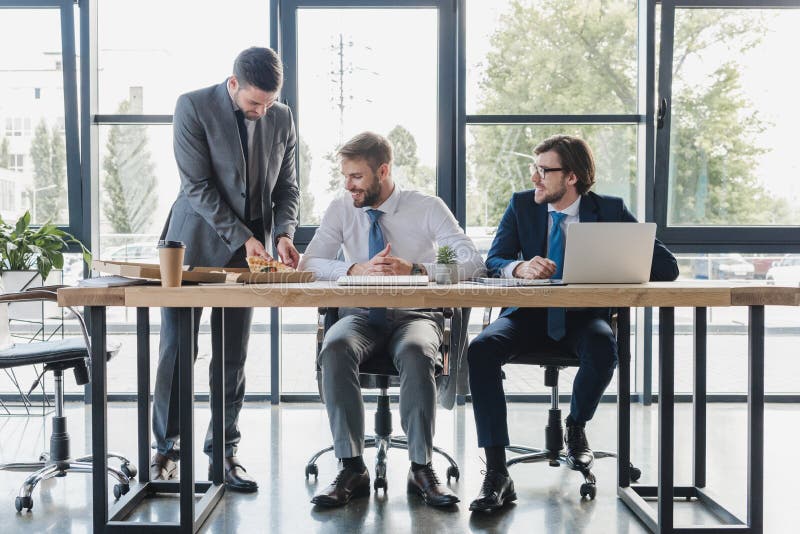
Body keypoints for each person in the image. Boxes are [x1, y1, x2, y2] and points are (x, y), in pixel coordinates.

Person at [467, 134, 679, 512]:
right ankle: (497, 473)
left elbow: (667, 267)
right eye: (534, 168)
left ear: (572, 177)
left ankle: (576, 425)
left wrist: (615, 260)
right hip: (527, 318)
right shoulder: (521, 206)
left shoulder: (609, 210)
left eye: (543, 170)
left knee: (604, 345)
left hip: (583, 318)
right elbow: (494, 259)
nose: (534, 177)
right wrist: (520, 266)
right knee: (481, 349)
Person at [299, 131, 484, 507]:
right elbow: (310, 263)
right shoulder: (341, 208)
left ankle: (421, 468)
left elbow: (470, 261)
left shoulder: (426, 207)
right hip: (361, 316)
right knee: (334, 347)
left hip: (415, 316)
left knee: (417, 352)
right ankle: (351, 466)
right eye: (345, 176)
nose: (348, 185)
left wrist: (416, 269)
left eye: (356, 177)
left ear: (383, 171)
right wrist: (355, 267)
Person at [150, 47, 300, 492]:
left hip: (251, 256)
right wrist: (243, 236)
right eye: (255, 102)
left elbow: (288, 187)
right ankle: (166, 450)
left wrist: (284, 234)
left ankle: (224, 454)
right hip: (190, 249)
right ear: (233, 84)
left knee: (232, 356)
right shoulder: (192, 106)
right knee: (178, 350)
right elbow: (197, 187)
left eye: (270, 103)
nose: (263, 111)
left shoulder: (282, 118)